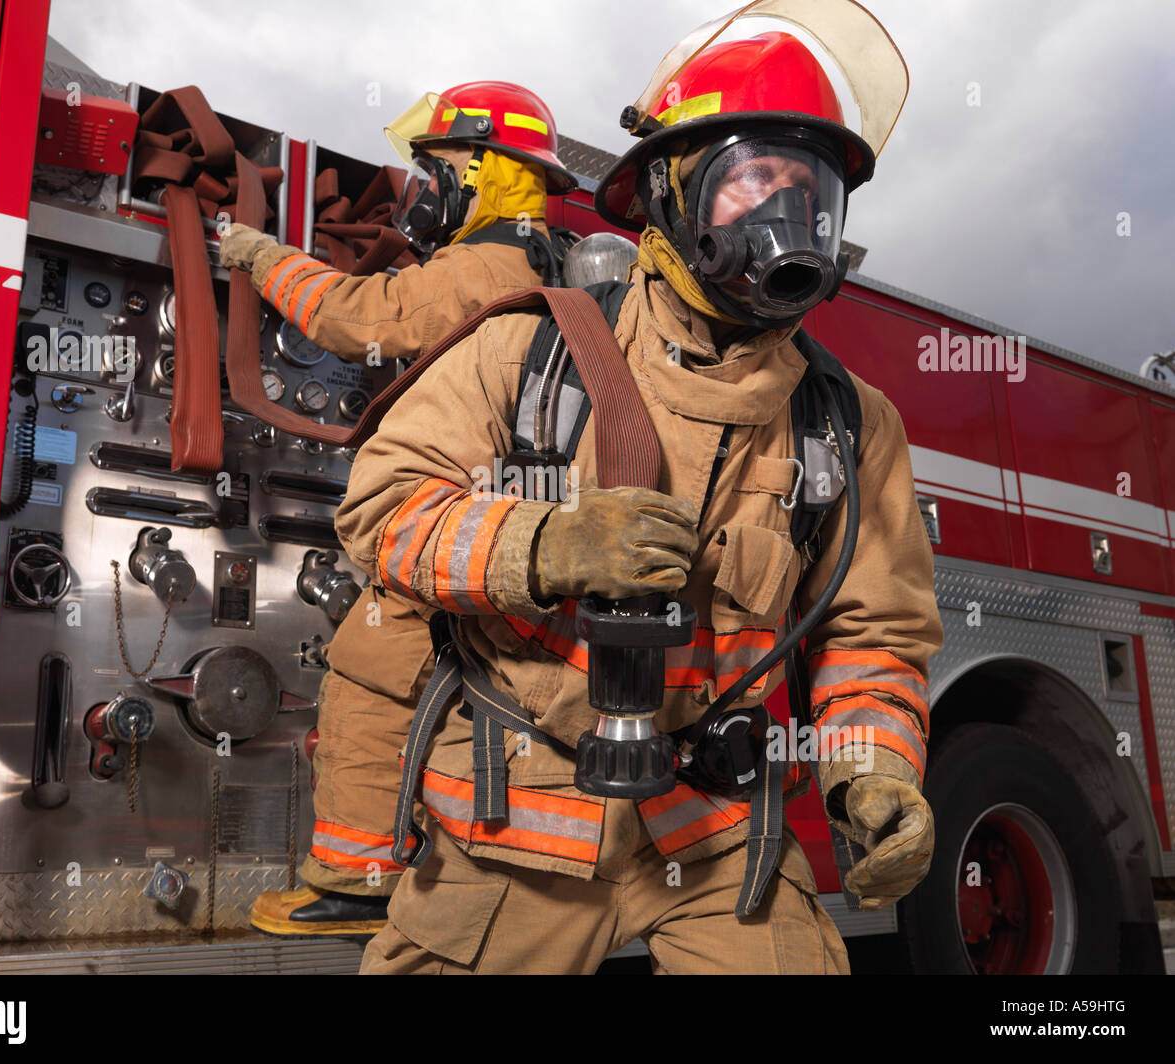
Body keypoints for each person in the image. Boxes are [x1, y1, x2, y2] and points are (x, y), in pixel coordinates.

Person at [334, 4, 944, 974]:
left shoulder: (848, 421)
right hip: (515, 830)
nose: (784, 216)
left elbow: (872, 636)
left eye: (808, 188)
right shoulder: (529, 347)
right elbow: (379, 513)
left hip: (716, 832)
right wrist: (542, 545)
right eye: (752, 179)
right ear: (671, 192)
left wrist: (873, 771)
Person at [218, 81, 576, 935]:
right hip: (514, 534)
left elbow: (355, 319)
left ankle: (355, 882)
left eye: (439, 170)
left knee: (373, 670)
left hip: (459, 529)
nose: (425, 191)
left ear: (485, 174)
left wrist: (258, 256)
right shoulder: (539, 263)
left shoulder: (488, 265)